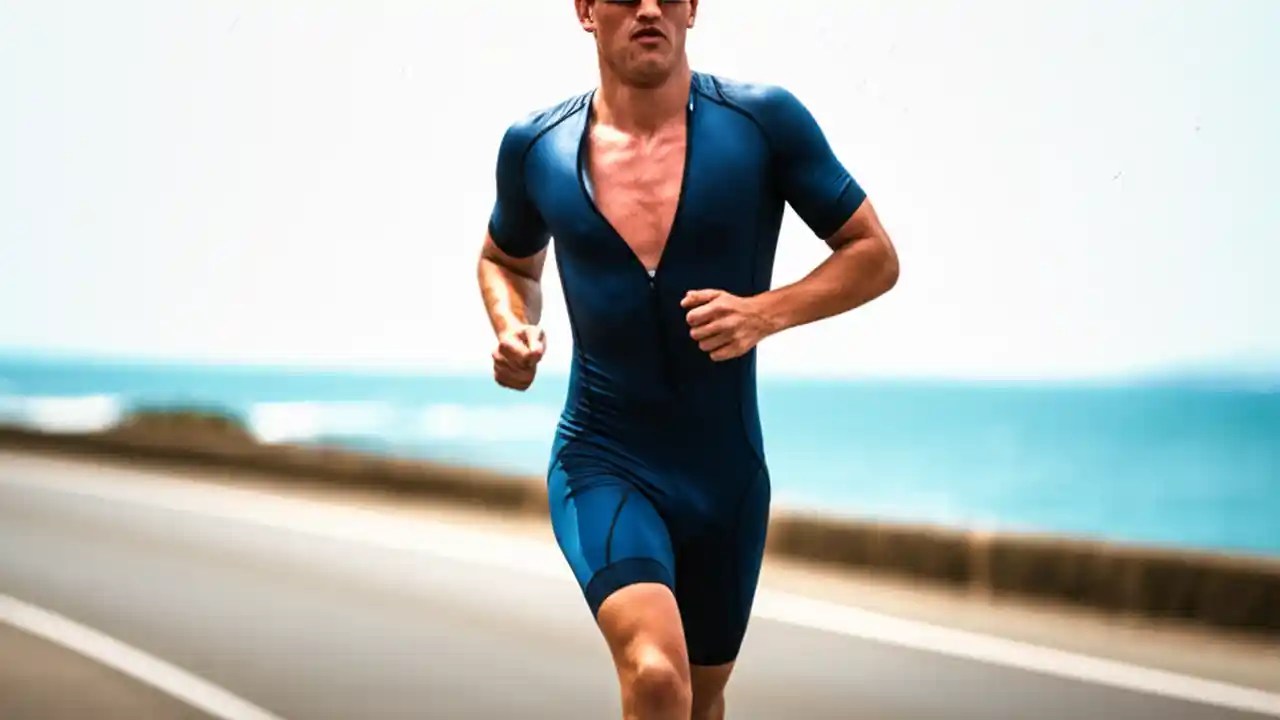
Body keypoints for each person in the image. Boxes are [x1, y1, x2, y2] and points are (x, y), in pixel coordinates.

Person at [475, 1, 898, 717]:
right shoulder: (535, 146)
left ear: (693, 9)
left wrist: (763, 313)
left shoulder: (762, 124)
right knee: (655, 677)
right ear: (585, 10)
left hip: (724, 475)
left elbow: (874, 255)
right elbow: (506, 261)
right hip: (602, 460)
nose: (649, 8)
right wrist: (512, 325)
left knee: (701, 703)